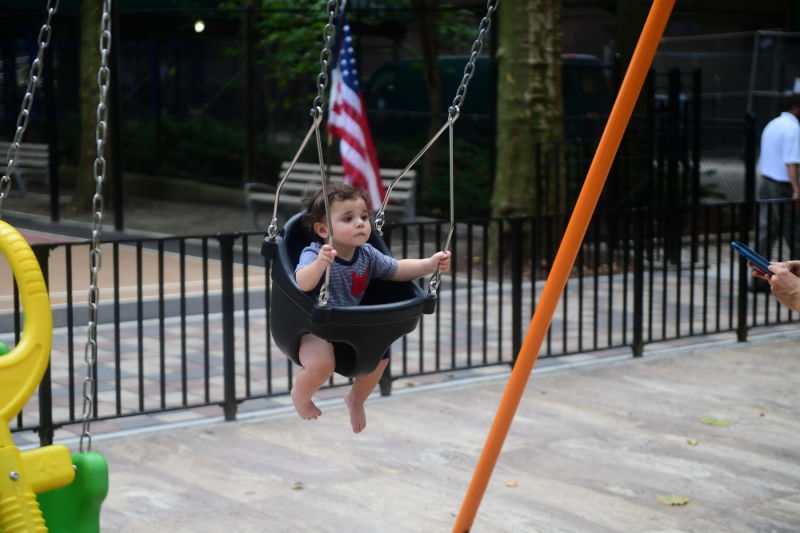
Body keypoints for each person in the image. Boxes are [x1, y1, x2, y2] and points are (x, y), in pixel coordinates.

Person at [292, 184, 451, 433]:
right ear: (323, 229)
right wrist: (321, 265)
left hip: (351, 323)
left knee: (380, 359)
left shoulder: (366, 253)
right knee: (321, 364)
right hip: (315, 324)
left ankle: (356, 399)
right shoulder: (315, 253)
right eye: (348, 218)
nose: (360, 223)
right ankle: (300, 398)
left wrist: (429, 264)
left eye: (364, 217)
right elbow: (302, 282)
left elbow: (397, 270)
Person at [754, 92, 800, 289]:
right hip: (781, 186)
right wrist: (797, 189)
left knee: (767, 231)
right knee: (794, 232)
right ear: (797, 108)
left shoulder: (773, 124)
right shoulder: (792, 128)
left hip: (766, 181)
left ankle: (756, 279)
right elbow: (791, 163)